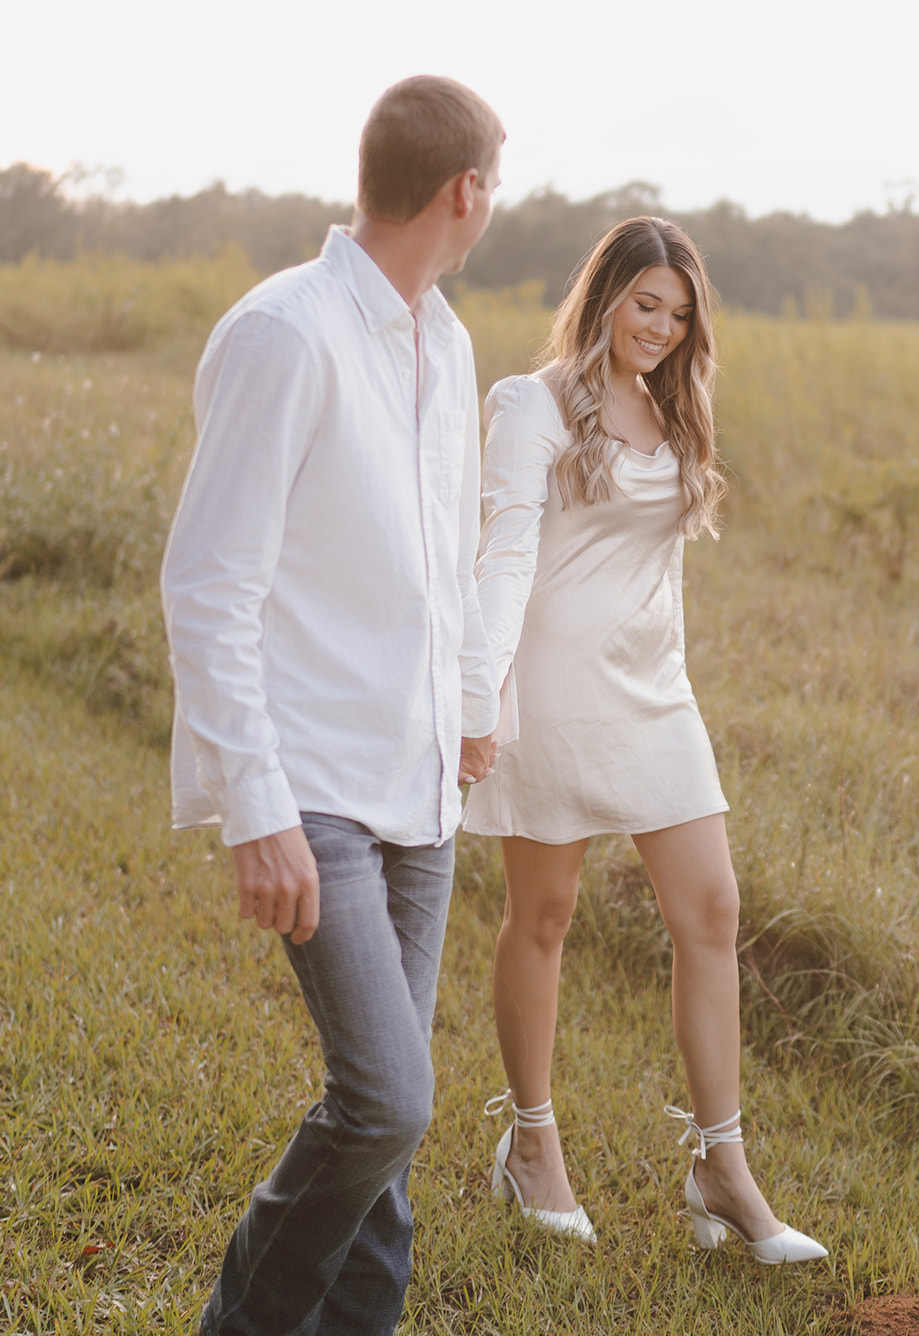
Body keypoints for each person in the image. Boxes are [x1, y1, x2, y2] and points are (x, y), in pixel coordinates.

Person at [161, 75, 503, 1336]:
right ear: (465, 190)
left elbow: (451, 555)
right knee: (387, 1101)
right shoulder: (284, 333)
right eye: (495, 184)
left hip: (421, 780)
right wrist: (256, 808)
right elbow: (209, 584)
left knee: (390, 1126)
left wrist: (469, 703)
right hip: (313, 784)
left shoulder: (445, 342)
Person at [463, 216, 827, 1264]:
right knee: (544, 915)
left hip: (655, 693)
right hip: (551, 689)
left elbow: (658, 569)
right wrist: (479, 694)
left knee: (711, 909)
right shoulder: (530, 405)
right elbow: (504, 554)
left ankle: (722, 1168)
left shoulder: (676, 406)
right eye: (644, 305)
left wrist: (671, 671)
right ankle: (532, 1144)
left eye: (677, 313)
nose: (660, 328)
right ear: (604, 297)